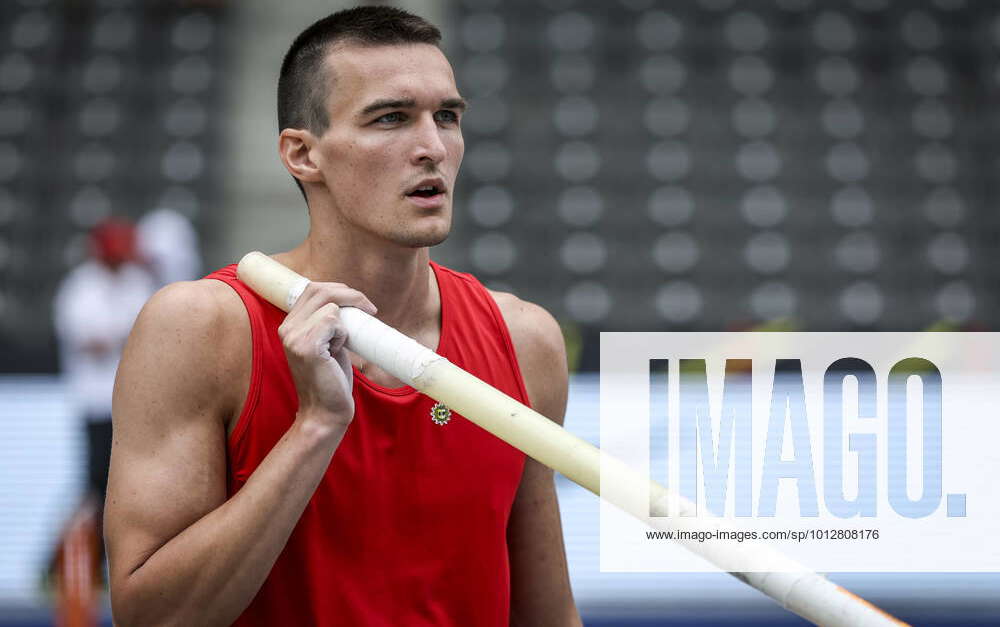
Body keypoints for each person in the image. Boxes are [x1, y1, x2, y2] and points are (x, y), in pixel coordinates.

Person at [105, 6, 581, 626]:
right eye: (391, 119)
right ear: (303, 154)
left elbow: (546, 616)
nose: (433, 147)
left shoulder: (523, 341)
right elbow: (152, 619)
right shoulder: (202, 330)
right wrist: (314, 429)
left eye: (447, 116)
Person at [51, 217, 156, 581]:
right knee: (98, 482)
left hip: (136, 399)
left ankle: (116, 562)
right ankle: (71, 564)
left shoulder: (137, 281)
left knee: (132, 483)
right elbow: (90, 341)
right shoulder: (80, 287)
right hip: (96, 402)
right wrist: (127, 335)